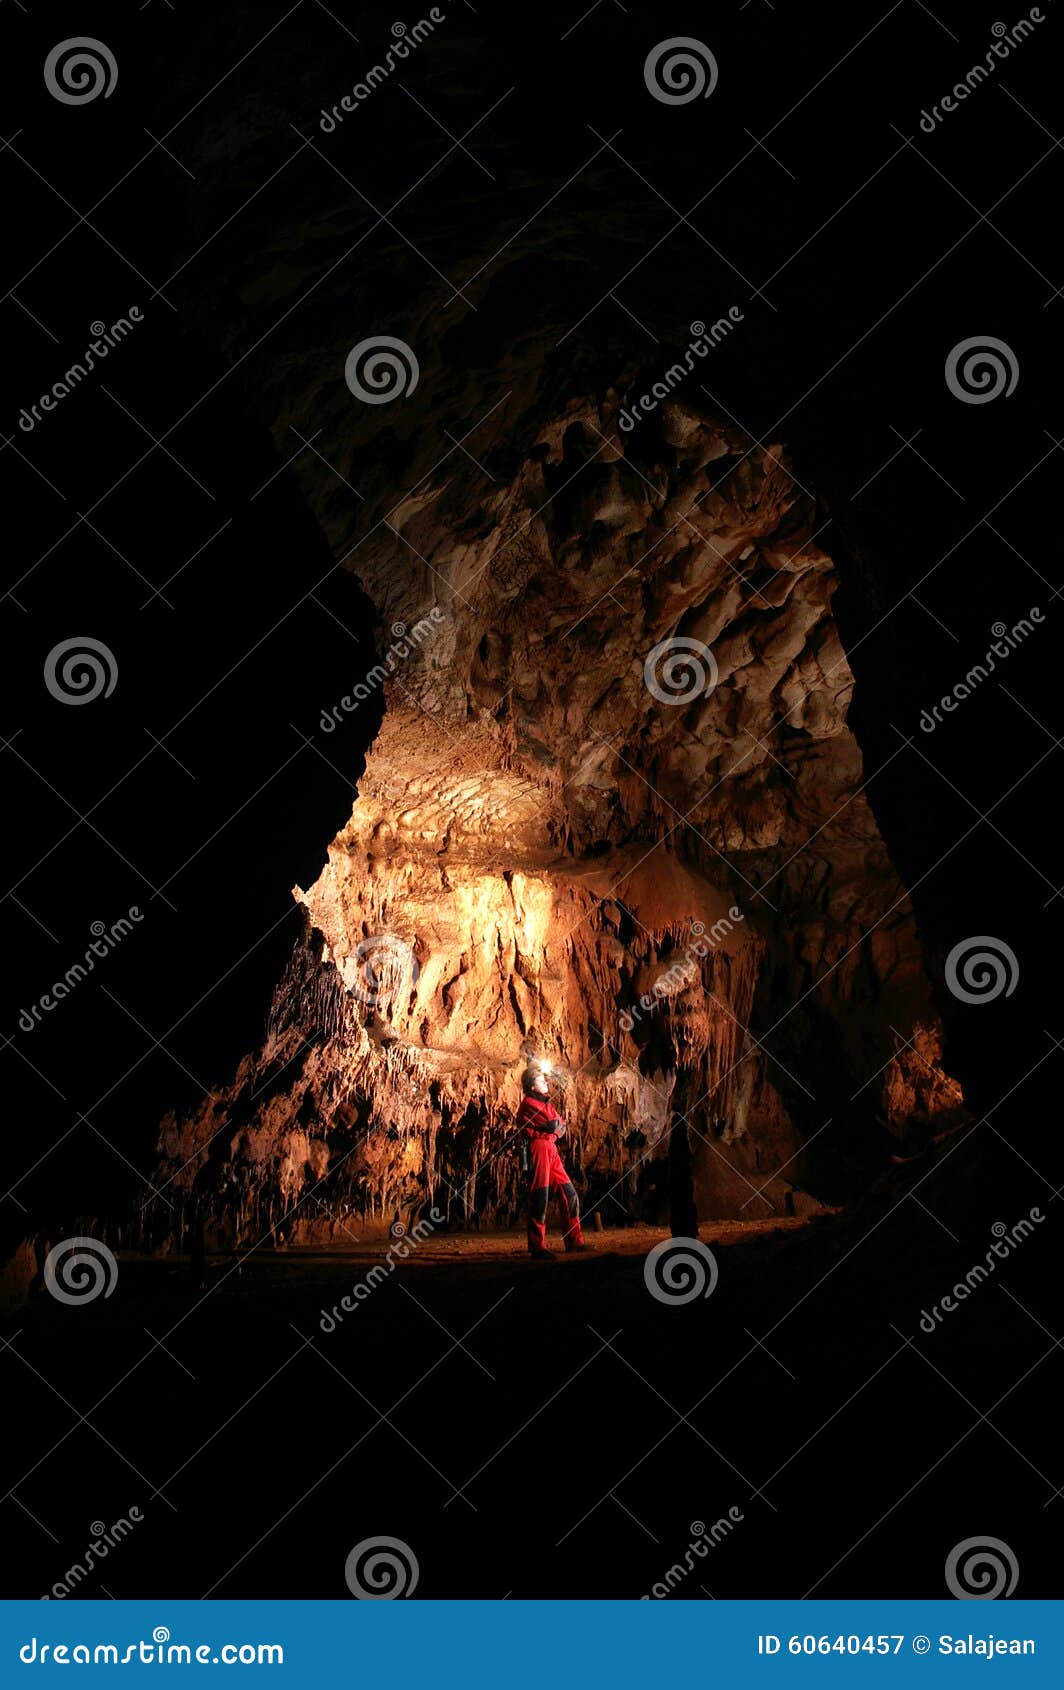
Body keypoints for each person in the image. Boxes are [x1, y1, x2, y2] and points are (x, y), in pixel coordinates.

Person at [517, 1065, 593, 1258]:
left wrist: (556, 1127)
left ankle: (574, 1241)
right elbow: (554, 1125)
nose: (546, 1083)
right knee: (540, 1196)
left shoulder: (545, 1104)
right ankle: (537, 1247)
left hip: (550, 1149)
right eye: (541, 1080)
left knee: (570, 1194)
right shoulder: (528, 1103)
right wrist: (555, 1127)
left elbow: (561, 1127)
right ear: (532, 1086)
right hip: (538, 1148)